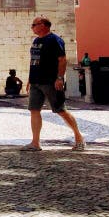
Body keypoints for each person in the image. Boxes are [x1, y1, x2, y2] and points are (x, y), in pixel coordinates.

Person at [21, 16, 85, 152]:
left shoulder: (55, 40)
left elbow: (62, 60)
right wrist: (29, 79)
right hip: (35, 82)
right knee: (34, 110)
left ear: (43, 25)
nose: (32, 27)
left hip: (50, 82)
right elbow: (34, 61)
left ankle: (79, 138)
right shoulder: (36, 41)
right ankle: (35, 143)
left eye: (34, 25)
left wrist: (60, 78)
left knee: (60, 110)